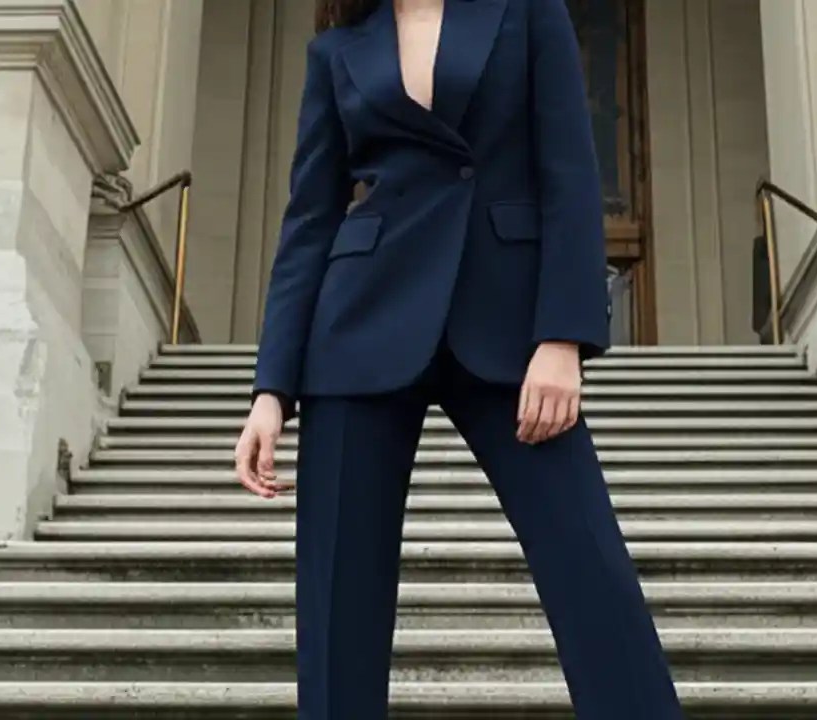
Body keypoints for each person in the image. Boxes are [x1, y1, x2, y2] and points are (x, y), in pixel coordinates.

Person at [235, 0, 684, 717]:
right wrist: (271, 390)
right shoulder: (338, 51)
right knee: (336, 608)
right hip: (359, 331)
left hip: (506, 325)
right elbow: (309, 221)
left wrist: (563, 336)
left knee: (591, 571)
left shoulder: (528, 15)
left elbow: (570, 171)